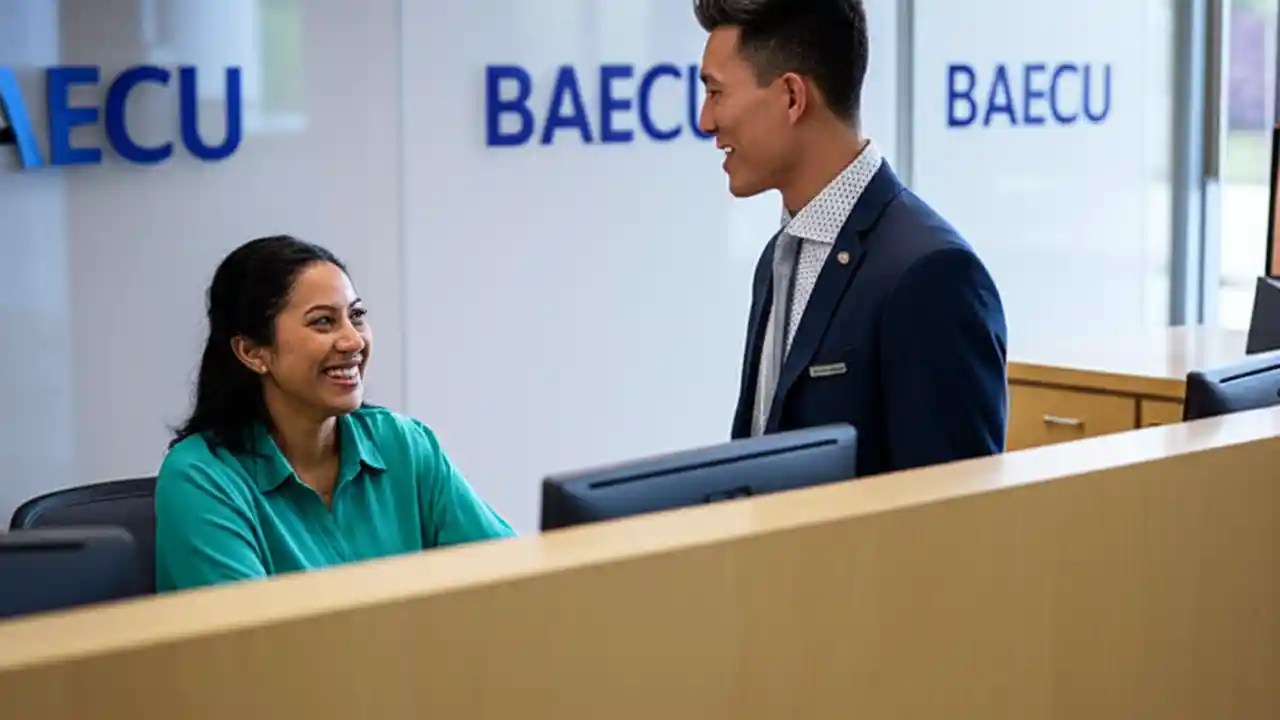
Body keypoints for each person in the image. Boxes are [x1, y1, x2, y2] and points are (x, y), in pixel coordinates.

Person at [694, 0, 1008, 475]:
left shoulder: (931, 274)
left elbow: (953, 522)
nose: (705, 121)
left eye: (716, 93)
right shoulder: (779, 258)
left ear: (792, 97)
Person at [155, 235, 514, 592]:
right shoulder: (200, 476)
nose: (353, 341)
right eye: (323, 322)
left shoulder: (403, 444)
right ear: (252, 351)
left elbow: (509, 578)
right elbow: (252, 643)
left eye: (356, 316)